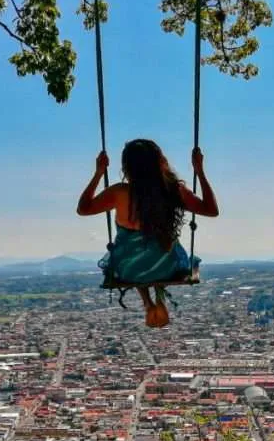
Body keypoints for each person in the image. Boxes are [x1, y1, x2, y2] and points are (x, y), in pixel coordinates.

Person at [77, 139, 219, 328]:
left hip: (129, 269)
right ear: (159, 161)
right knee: (166, 252)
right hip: (167, 266)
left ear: (127, 167)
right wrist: (200, 171)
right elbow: (211, 210)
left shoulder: (119, 193)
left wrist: (98, 173)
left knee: (134, 256)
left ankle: (147, 302)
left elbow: (83, 209)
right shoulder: (173, 190)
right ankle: (159, 294)